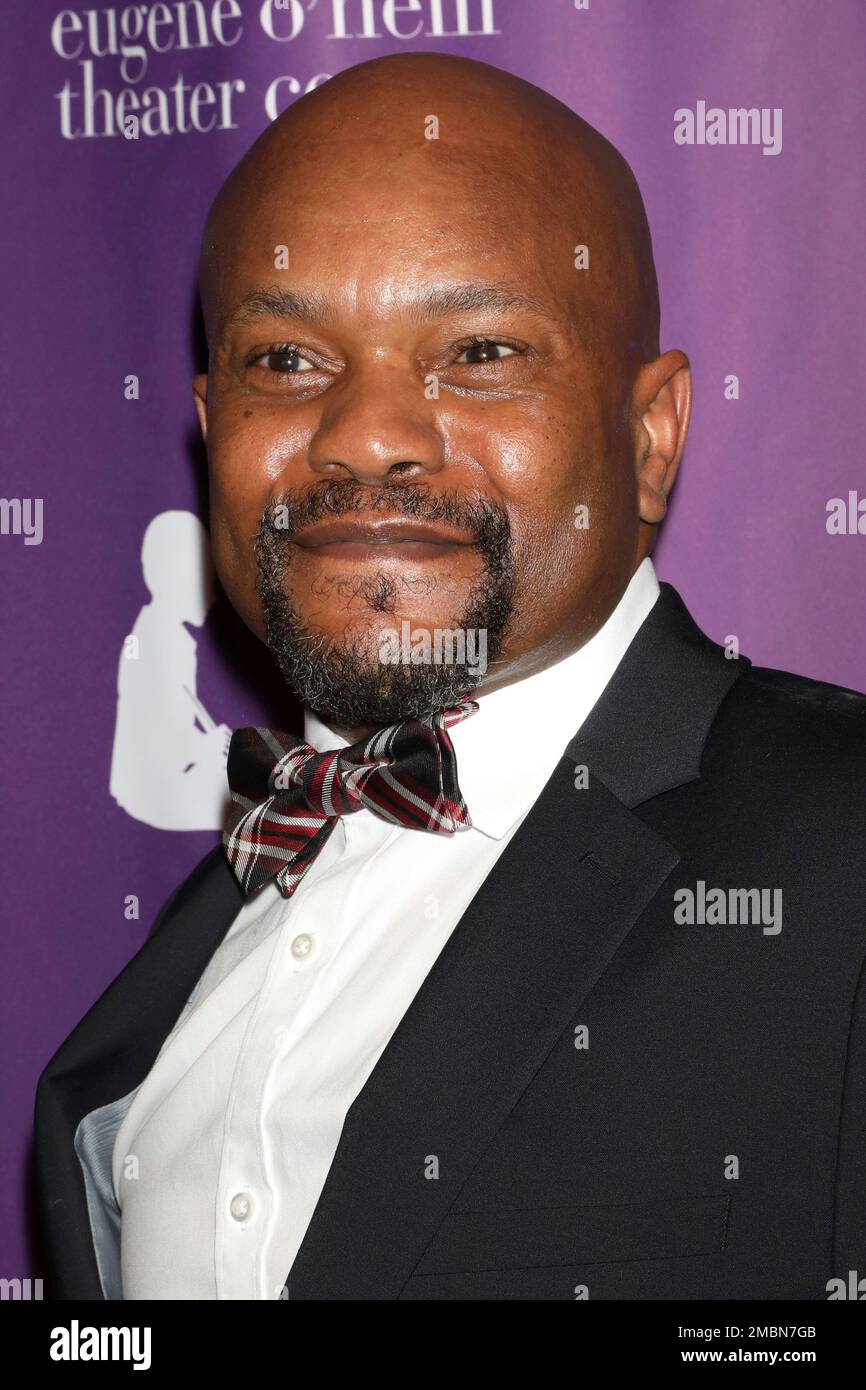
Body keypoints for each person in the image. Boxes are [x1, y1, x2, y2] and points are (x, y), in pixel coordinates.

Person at [35, 52, 866, 1302]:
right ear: (211, 431)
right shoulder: (189, 961)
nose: (366, 434)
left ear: (648, 440)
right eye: (286, 360)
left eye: (477, 350)